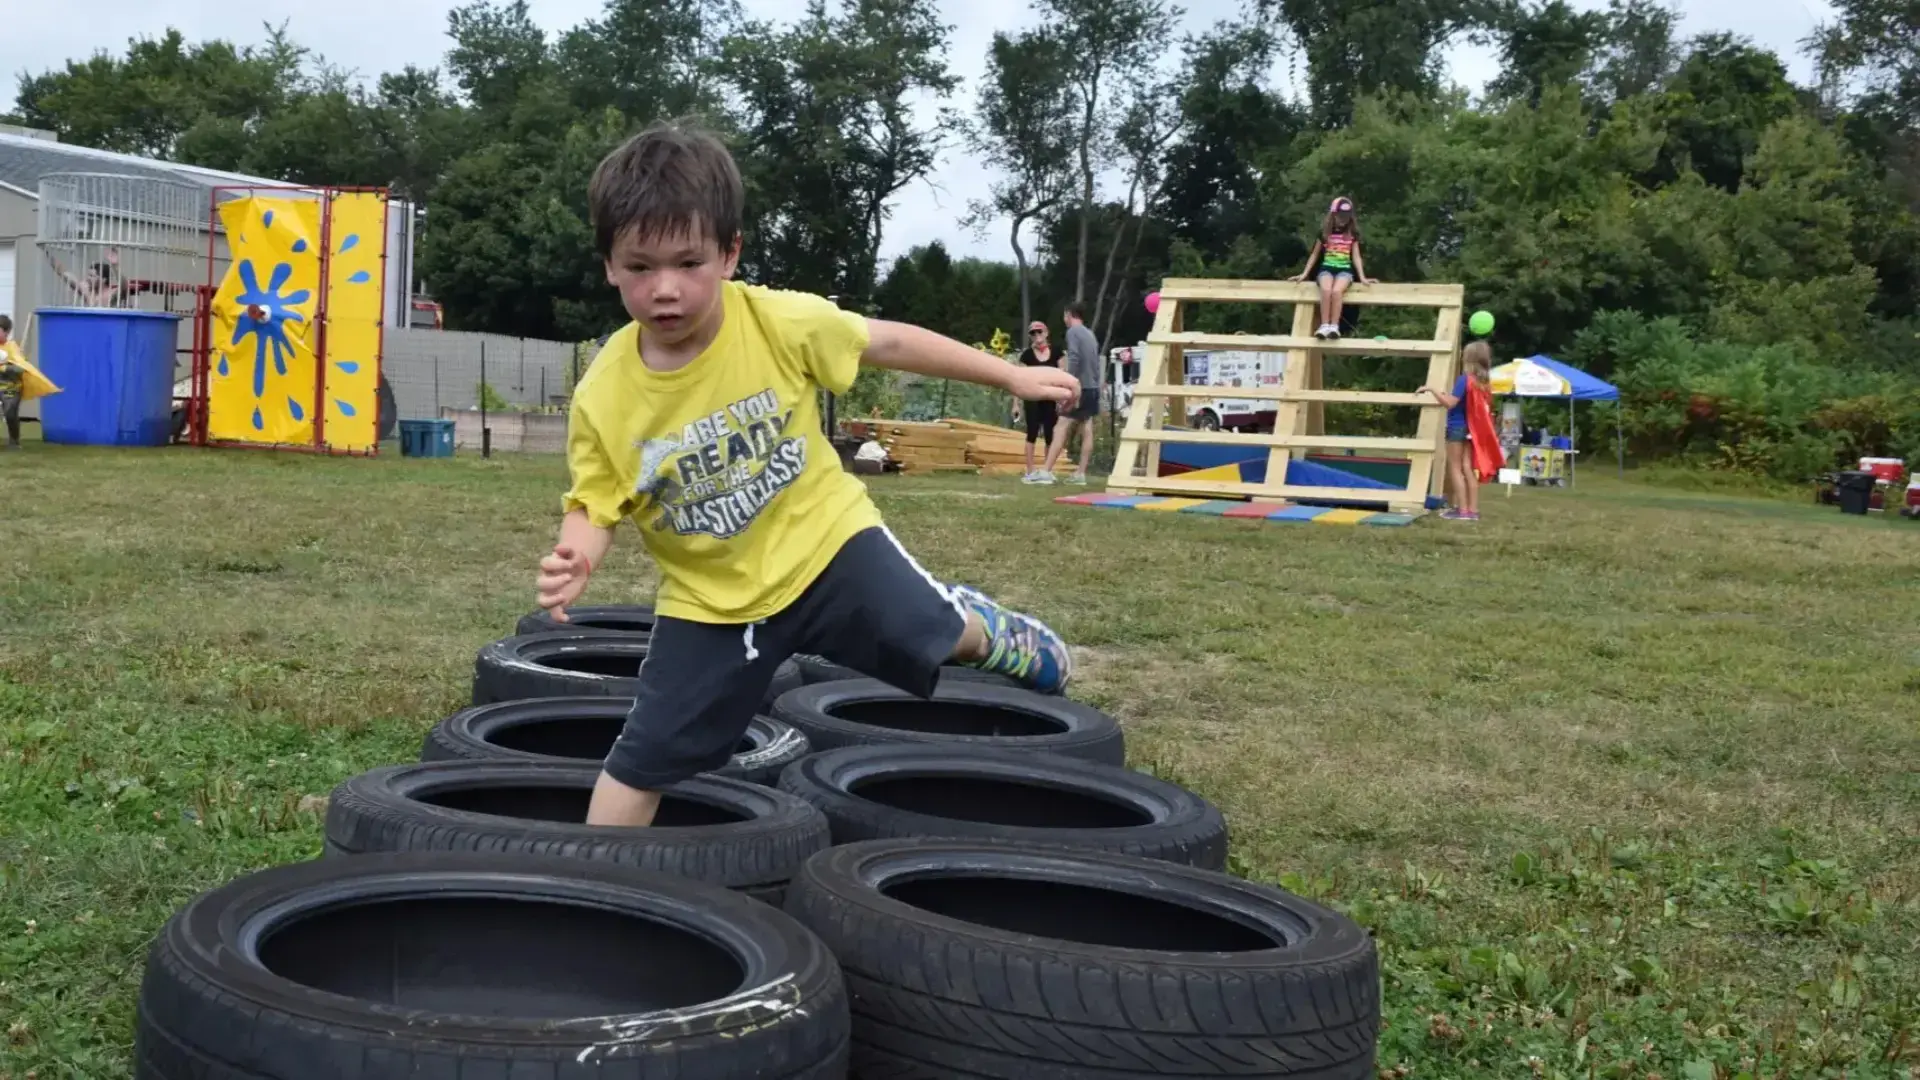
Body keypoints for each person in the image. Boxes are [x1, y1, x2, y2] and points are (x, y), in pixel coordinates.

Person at [533, 120, 1081, 829]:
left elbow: (888, 340)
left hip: (830, 549)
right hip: (712, 603)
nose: (664, 290)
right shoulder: (603, 394)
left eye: (688, 263)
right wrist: (577, 554)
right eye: (639, 267)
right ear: (609, 264)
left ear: (729, 254)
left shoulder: (779, 323)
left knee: (942, 638)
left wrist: (1012, 374)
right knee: (641, 759)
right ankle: (597, 894)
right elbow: (597, 502)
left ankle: (995, 629)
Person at [1417, 339, 1493, 522]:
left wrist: (1432, 390)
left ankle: (1462, 510)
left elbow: (1450, 403)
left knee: (1455, 468)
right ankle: (1472, 510)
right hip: (1470, 429)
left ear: (1468, 358)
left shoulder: (1465, 379)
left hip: (1457, 428)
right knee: (1467, 468)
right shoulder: (1484, 383)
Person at [1035, 302, 1100, 485]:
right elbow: (1095, 362)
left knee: (1061, 425)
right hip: (1092, 387)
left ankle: (1046, 472)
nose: (1064, 320)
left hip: (1079, 386)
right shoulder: (1090, 334)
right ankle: (1080, 474)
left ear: (1069, 314)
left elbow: (1074, 357)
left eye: (1065, 316)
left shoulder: (1073, 332)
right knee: (1087, 427)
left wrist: (1068, 384)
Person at [1292, 197, 1372, 339]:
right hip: (1327, 268)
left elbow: (1356, 257)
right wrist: (1304, 274)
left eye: (1346, 216)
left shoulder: (1352, 234)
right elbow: (1314, 255)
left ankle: (1334, 326)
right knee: (1326, 289)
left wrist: (1362, 277)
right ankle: (1324, 325)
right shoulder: (1324, 233)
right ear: (1334, 214)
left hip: (1344, 270)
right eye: (1341, 215)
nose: (1343, 219)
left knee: (1336, 292)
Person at [1013, 320, 1058, 482]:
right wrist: (1016, 403)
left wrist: (1064, 398)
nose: (1037, 335)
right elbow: (1018, 380)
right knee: (1031, 433)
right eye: (1033, 333)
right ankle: (1030, 470)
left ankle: (1047, 469)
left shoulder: (1056, 352)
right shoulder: (1027, 355)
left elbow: (1063, 376)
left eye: (1039, 332)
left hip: (1050, 397)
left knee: (1050, 434)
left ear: (1046, 333)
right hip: (1032, 397)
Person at [0, 315, 24, 450]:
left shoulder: (12, 348)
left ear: (6, 332)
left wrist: (3, 367)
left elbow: (20, 369)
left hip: (11, 388)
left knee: (10, 411)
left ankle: (14, 441)